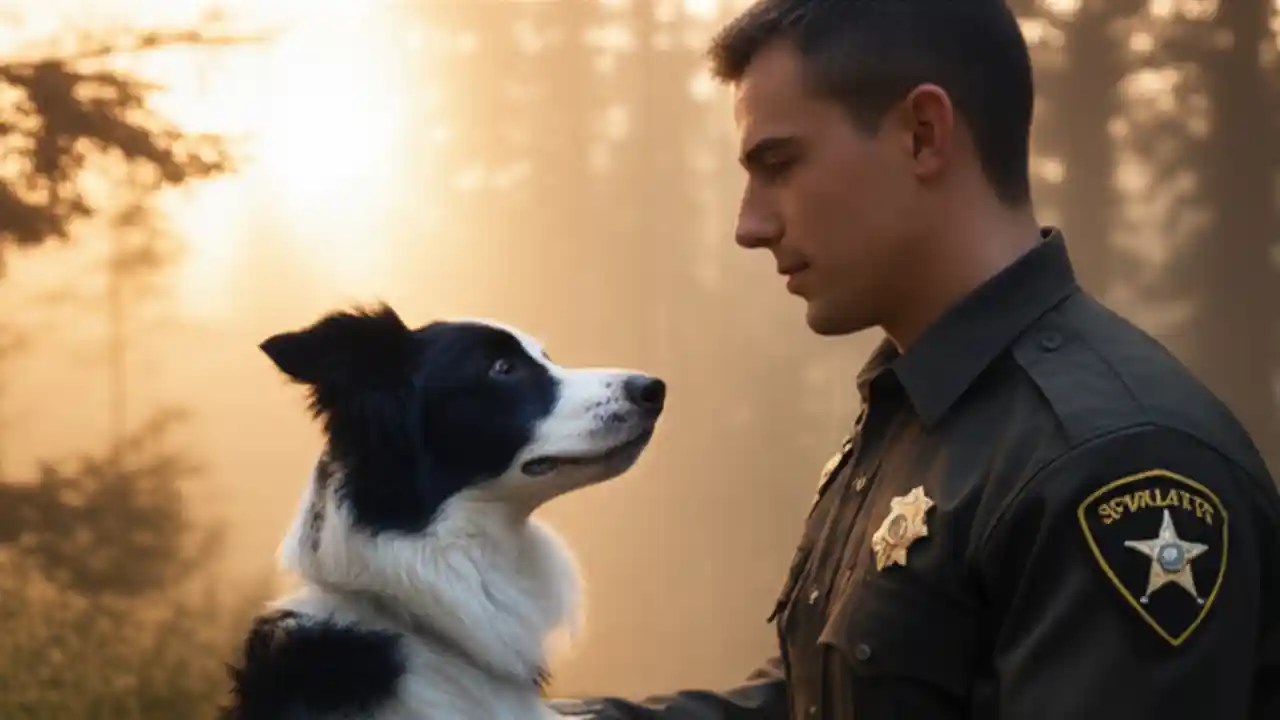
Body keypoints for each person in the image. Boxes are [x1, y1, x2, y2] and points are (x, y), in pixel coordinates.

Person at [551, 0, 1280, 718]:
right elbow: (815, 702)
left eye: (780, 163)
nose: (751, 224)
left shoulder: (1110, 463)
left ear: (923, 135)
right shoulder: (926, 411)